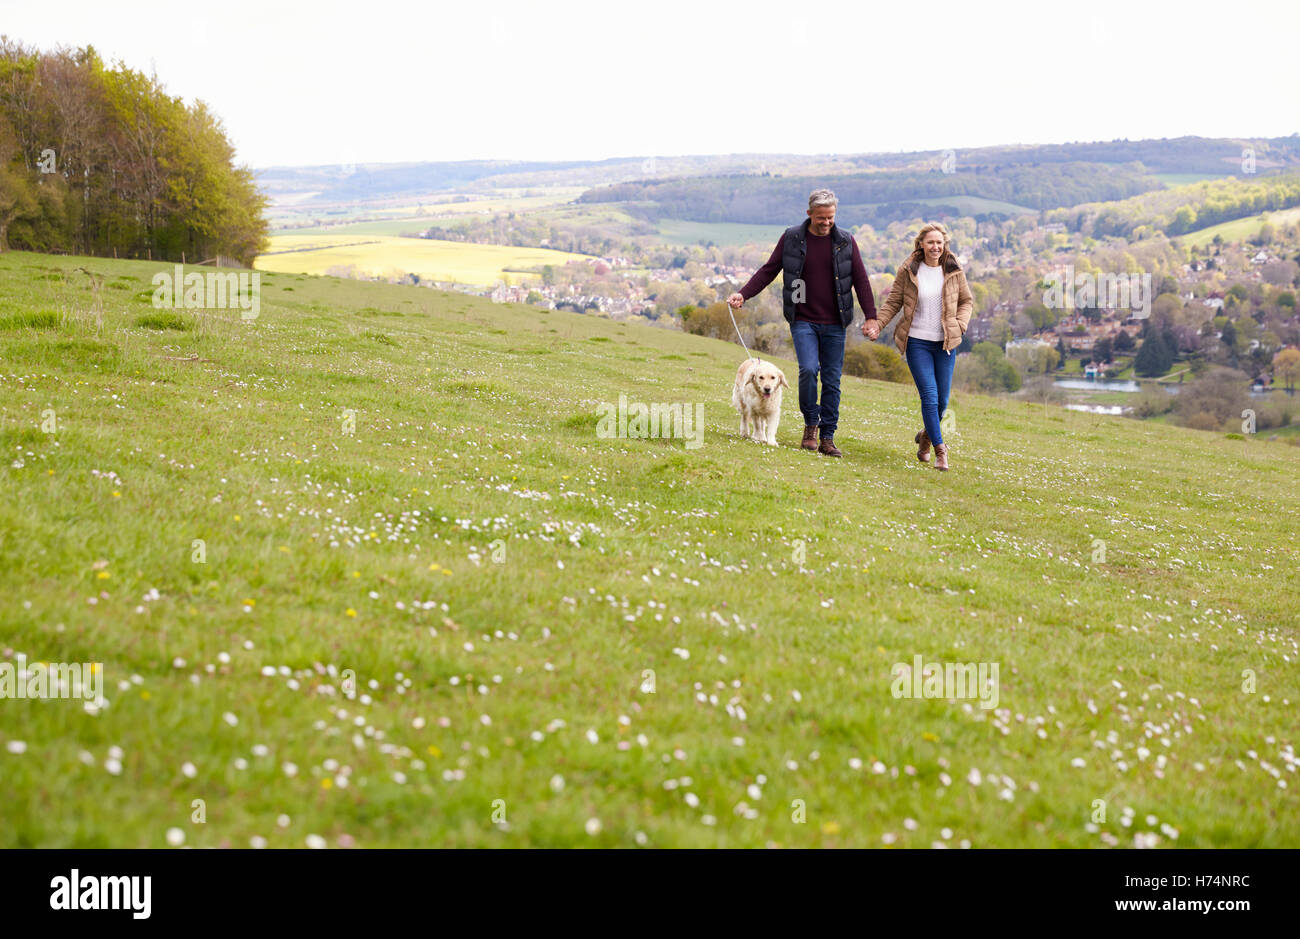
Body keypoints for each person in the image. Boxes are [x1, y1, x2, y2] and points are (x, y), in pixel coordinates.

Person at [728, 189, 876, 458]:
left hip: (835, 322)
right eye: (821, 217)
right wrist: (743, 293)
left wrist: (872, 317)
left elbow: (861, 280)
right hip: (803, 318)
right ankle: (811, 426)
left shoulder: (845, 241)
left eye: (831, 217)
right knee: (808, 370)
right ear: (809, 214)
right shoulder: (792, 237)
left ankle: (827, 437)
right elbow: (769, 269)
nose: (827, 222)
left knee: (832, 380)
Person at [872, 223, 972, 471]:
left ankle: (926, 437)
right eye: (930, 242)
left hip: (945, 343)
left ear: (944, 244)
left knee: (943, 401)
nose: (935, 247)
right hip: (917, 342)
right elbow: (893, 302)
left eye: (939, 242)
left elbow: (966, 301)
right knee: (929, 396)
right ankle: (941, 451)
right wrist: (878, 325)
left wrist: (960, 325)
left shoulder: (953, 269)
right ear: (921, 244)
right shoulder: (909, 270)